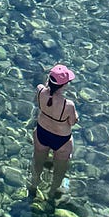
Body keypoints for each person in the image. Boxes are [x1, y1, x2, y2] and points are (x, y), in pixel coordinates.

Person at [29, 63, 78, 200]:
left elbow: (39, 103)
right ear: (63, 86)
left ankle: (34, 185)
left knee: (37, 163)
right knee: (60, 171)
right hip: (61, 139)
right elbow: (72, 122)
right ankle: (52, 194)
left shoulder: (39, 90)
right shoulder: (68, 105)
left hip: (42, 133)